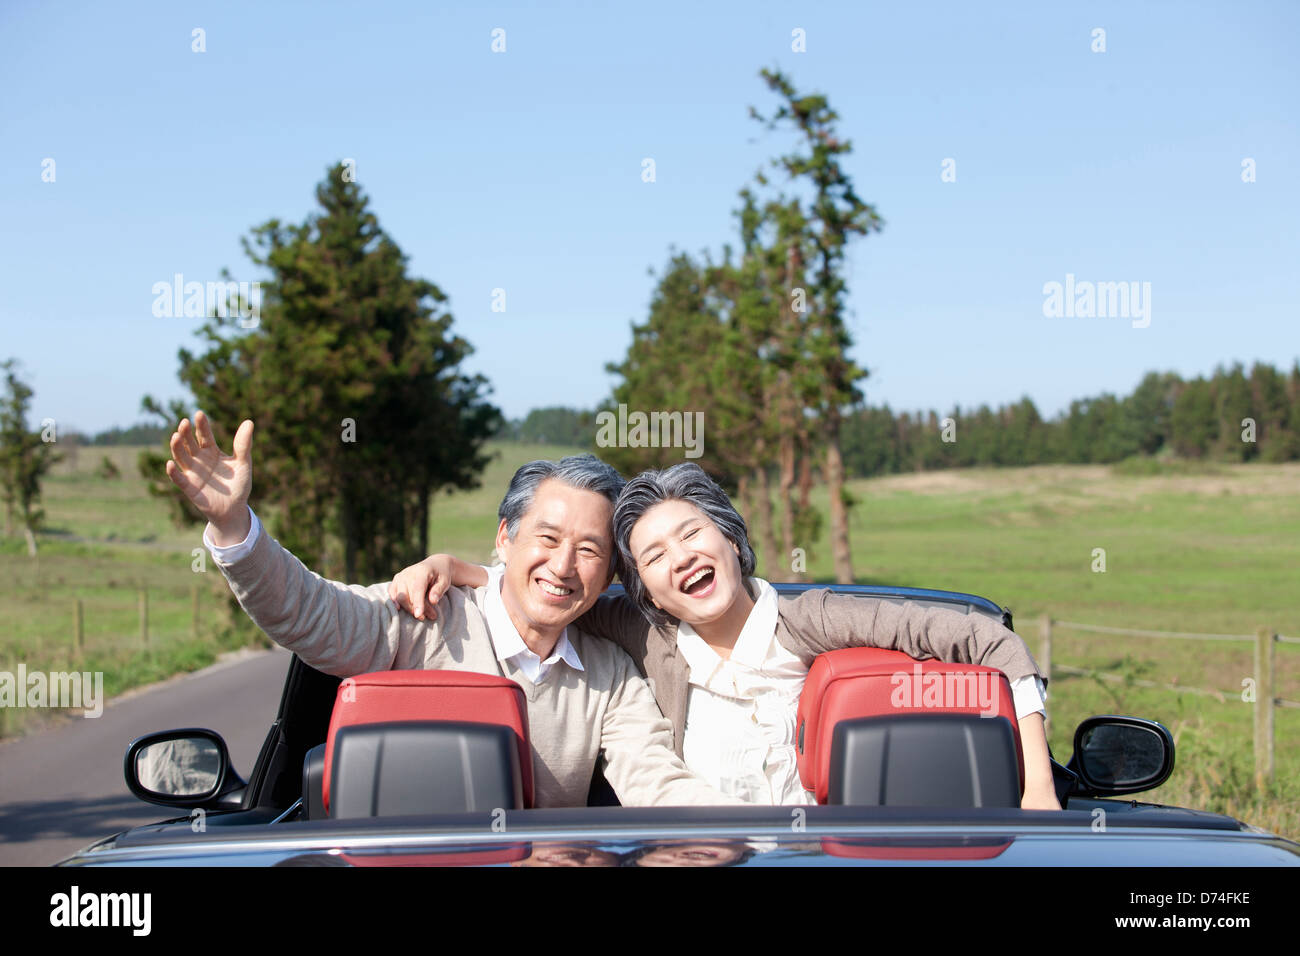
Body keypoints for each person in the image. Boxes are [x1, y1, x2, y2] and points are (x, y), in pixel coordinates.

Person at [391, 462, 1063, 810]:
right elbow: (549, 591)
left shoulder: (817, 620)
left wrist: (1037, 790)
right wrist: (462, 569)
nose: (679, 559)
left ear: (732, 539)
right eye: (652, 556)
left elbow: (991, 643)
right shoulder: (638, 630)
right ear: (644, 589)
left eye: (691, 534)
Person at [164, 412, 742, 809]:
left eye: (589, 549)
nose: (564, 566)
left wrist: (764, 836)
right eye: (546, 538)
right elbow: (309, 613)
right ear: (504, 538)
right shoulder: (425, 613)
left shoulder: (610, 675)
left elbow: (656, 784)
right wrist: (233, 526)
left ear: (610, 571)